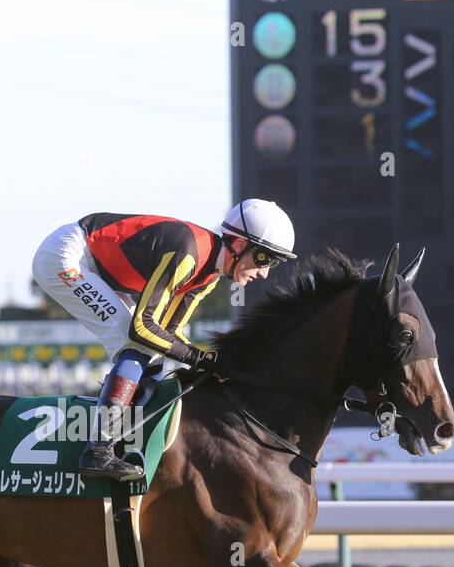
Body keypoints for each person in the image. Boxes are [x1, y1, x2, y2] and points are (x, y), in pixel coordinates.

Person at [31, 198, 297, 480]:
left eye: (273, 263)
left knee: (152, 352)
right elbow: (143, 329)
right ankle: (98, 449)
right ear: (240, 244)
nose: (265, 272)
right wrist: (200, 360)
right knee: (133, 343)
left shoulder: (208, 276)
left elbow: (170, 333)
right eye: (264, 258)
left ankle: (127, 435)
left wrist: (210, 360)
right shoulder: (189, 253)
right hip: (67, 255)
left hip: (98, 266)